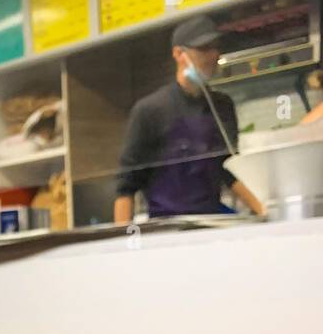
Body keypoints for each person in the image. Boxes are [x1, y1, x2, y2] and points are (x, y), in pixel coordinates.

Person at [113, 14, 265, 223]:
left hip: (213, 222)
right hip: (166, 228)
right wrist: (124, 244)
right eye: (203, 49)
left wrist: (264, 212)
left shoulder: (222, 106)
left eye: (215, 47)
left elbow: (229, 170)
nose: (212, 55)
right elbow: (126, 186)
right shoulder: (149, 110)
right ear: (178, 54)